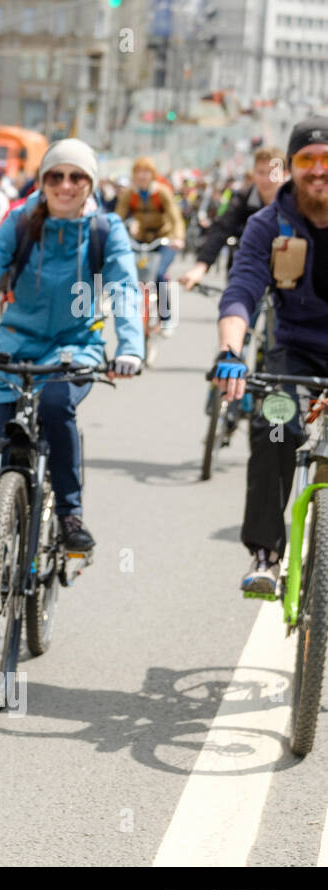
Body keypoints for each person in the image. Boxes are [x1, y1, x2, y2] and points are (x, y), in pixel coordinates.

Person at [0, 139, 144, 620]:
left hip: (75, 348)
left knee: (55, 405)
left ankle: (69, 515)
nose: (65, 185)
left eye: (76, 177)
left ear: (90, 184)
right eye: (55, 176)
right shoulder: (22, 222)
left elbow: (125, 289)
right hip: (12, 348)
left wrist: (129, 348)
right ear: (42, 182)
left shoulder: (107, 229)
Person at [209, 116, 328, 595]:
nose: (318, 171)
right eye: (307, 160)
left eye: (327, 161)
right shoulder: (267, 223)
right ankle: (267, 555)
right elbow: (241, 293)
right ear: (292, 167)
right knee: (273, 425)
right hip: (294, 350)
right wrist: (229, 351)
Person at [181, 146, 286, 290]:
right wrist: (201, 266)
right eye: (261, 172)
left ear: (285, 174)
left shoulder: (294, 200)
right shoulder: (243, 198)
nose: (266, 179)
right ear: (253, 173)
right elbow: (221, 228)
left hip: (286, 269)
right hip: (248, 267)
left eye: (273, 173)